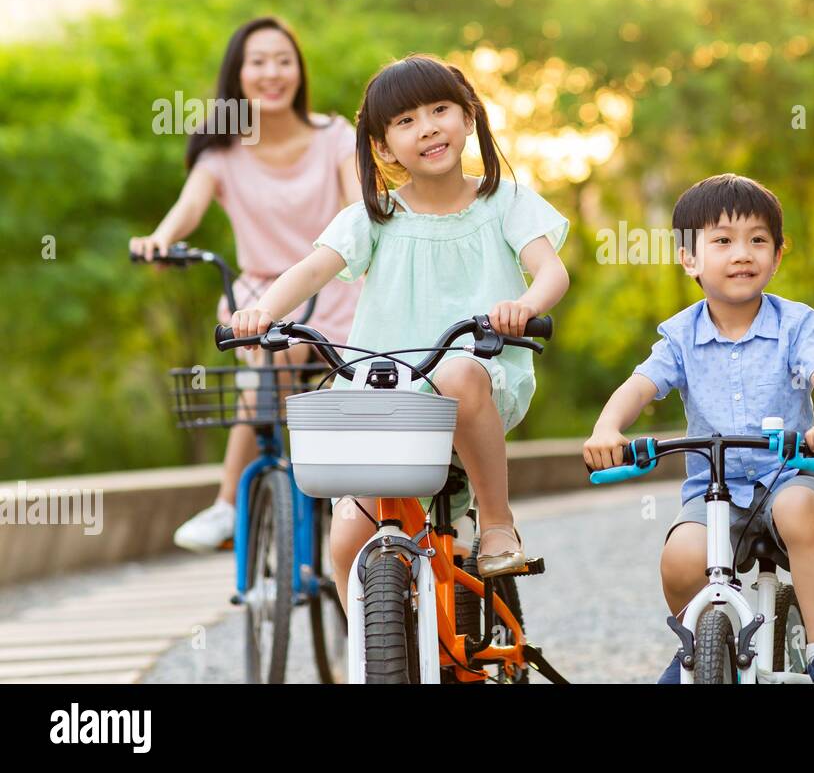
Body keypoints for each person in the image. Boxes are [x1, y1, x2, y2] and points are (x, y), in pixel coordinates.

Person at [227, 54, 569, 604]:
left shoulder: (504, 201)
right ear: (384, 147)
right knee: (346, 543)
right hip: (390, 394)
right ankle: (371, 654)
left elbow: (552, 269)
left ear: (469, 117)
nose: (428, 126)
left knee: (459, 371)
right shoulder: (375, 215)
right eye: (405, 121)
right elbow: (314, 268)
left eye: (440, 110)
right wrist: (262, 312)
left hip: (478, 381)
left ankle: (498, 522)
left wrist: (524, 306)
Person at [583, 174, 814, 683]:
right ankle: (692, 646)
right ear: (689, 259)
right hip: (716, 497)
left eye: (758, 240)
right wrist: (608, 429)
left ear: (777, 257)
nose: (743, 253)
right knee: (679, 557)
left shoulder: (795, 324)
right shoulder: (680, 336)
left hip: (791, 478)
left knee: (797, 509)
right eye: (723, 241)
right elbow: (640, 386)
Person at [129, 16, 362, 551]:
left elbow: (358, 207)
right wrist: (159, 240)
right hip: (261, 296)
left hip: (340, 286)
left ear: (300, 71)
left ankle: (377, 517)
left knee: (367, 384)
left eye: (284, 60)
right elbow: (186, 208)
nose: (272, 72)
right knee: (271, 362)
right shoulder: (221, 155)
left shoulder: (335, 138)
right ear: (238, 74)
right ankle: (229, 503)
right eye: (258, 62)